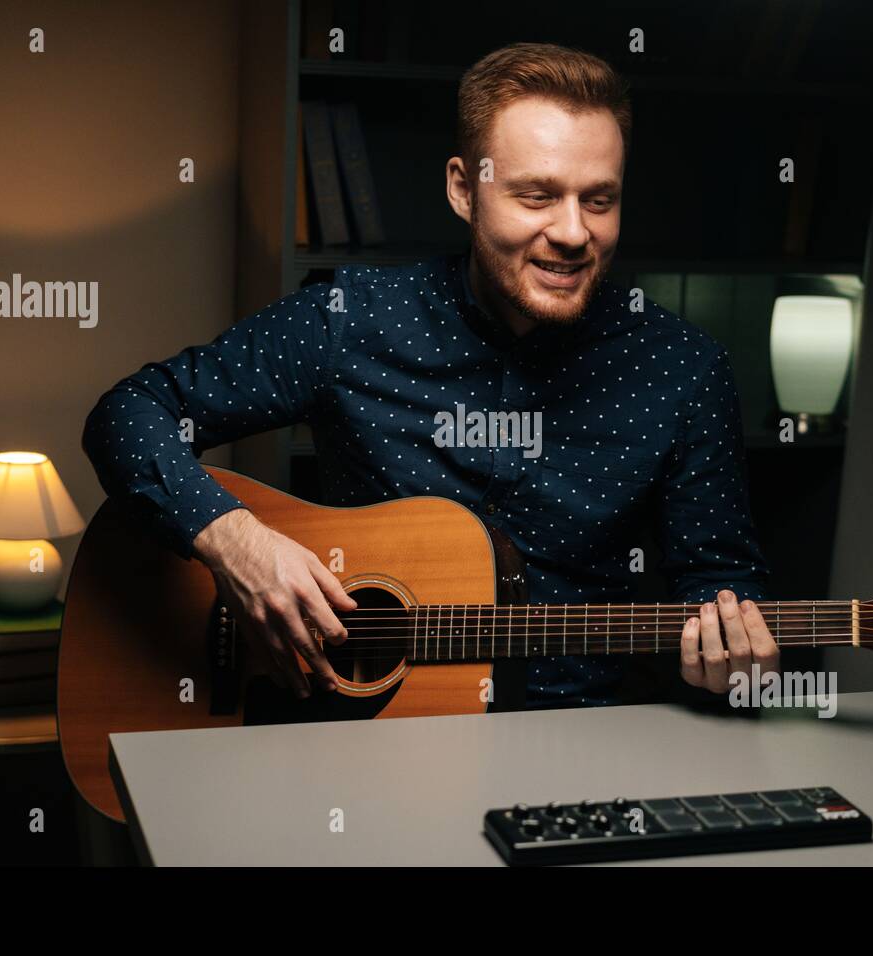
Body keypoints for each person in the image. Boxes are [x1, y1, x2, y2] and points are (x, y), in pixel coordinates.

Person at [83, 42, 778, 710]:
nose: (573, 232)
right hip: (346, 735)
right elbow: (128, 413)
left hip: (578, 735)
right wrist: (236, 544)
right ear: (462, 189)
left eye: (598, 200)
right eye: (537, 196)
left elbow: (722, 584)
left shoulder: (684, 369)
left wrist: (741, 661)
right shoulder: (347, 319)